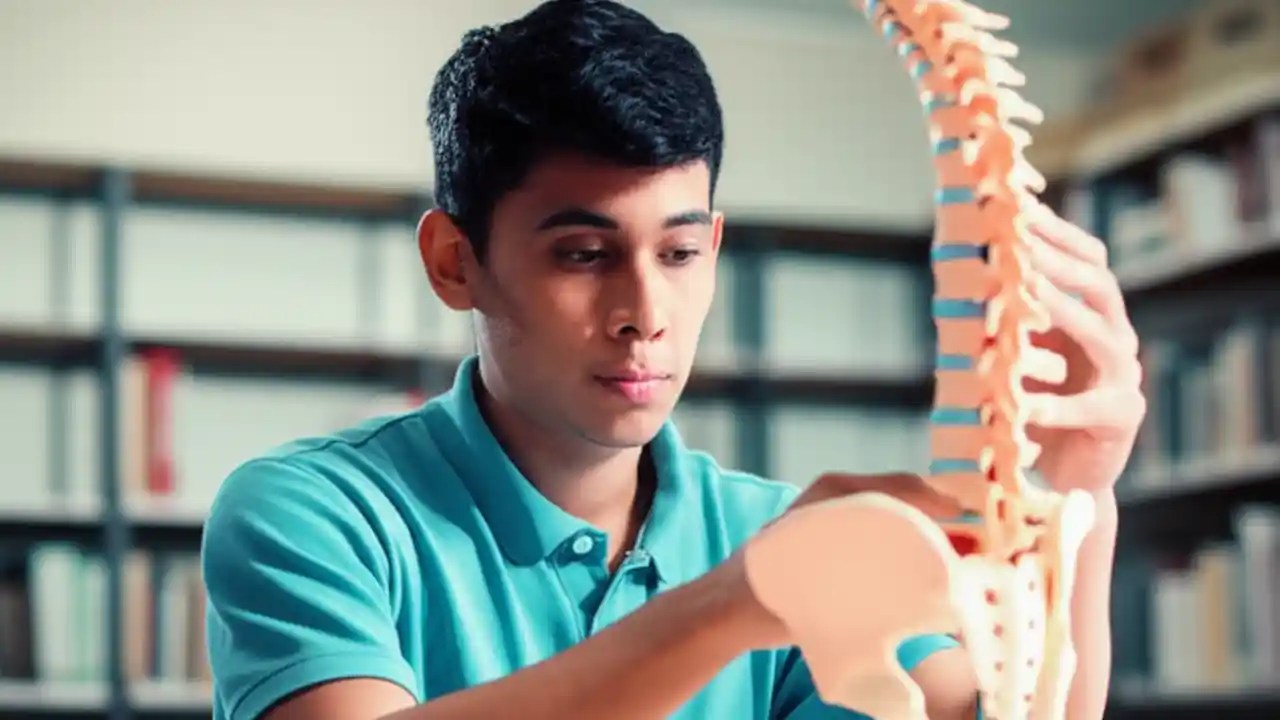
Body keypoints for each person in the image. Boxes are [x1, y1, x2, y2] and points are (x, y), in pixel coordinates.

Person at [201, 1, 1145, 719]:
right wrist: (737, 604)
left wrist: (1076, 498)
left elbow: (987, 712)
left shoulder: (775, 534)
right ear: (457, 261)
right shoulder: (312, 513)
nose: (645, 314)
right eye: (583, 254)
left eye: (681, 253)